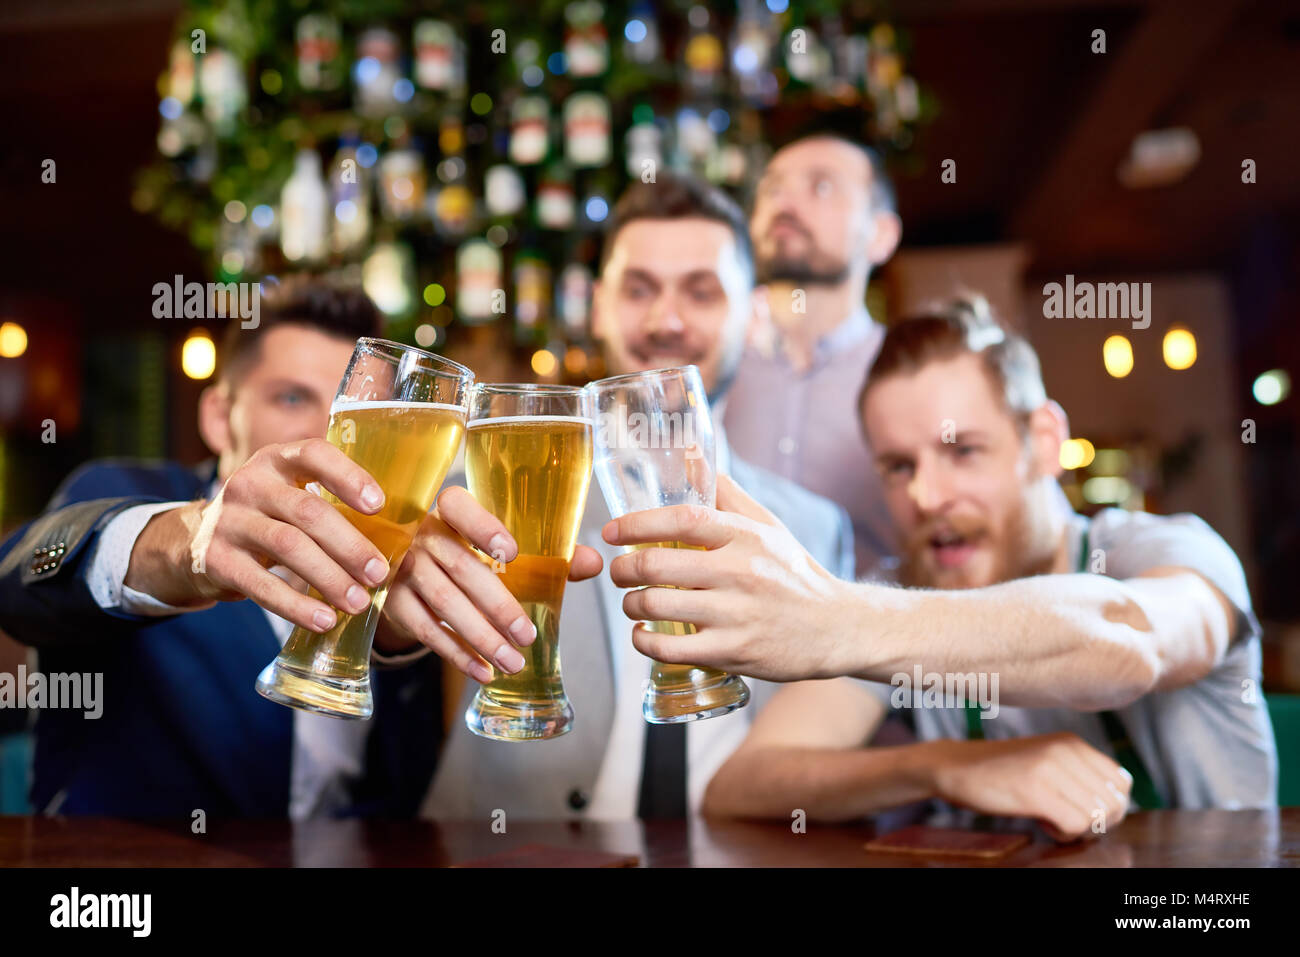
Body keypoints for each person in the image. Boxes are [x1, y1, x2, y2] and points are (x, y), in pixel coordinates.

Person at [605, 297, 1277, 836]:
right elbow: (739, 786)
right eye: (899, 467)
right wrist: (945, 765)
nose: (926, 497)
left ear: (1042, 443)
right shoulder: (909, 593)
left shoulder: (1166, 550)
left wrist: (832, 616)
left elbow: (1128, 644)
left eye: (962, 452)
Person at [0, 275, 595, 817]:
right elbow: (19, 586)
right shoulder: (126, 493)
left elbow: (403, 801)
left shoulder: (398, 550)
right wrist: (188, 546)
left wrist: (391, 637)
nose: (329, 432)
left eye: (357, 407)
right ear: (218, 416)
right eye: (291, 398)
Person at [416, 173, 855, 821]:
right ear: (596, 306)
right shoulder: (493, 489)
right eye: (638, 289)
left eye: (701, 292)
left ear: (756, 314)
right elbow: (394, 639)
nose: (665, 321)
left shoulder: (817, 529)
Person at [723, 133, 901, 572]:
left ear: (880, 234)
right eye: (772, 190)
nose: (785, 204)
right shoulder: (708, 373)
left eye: (821, 187)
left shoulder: (907, 378)